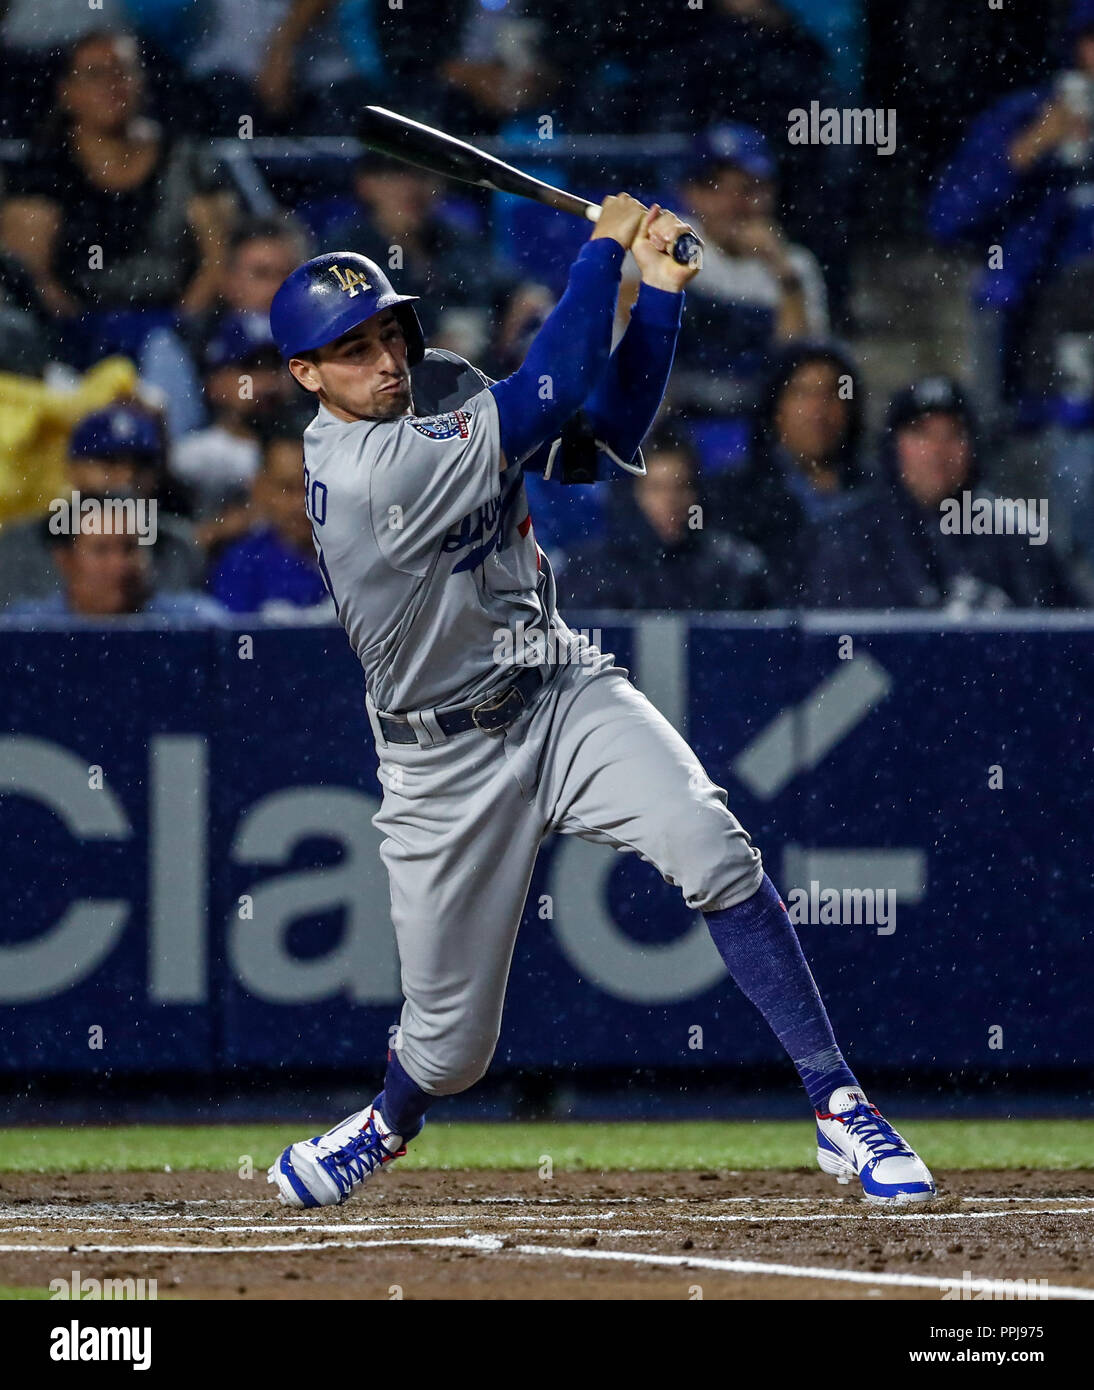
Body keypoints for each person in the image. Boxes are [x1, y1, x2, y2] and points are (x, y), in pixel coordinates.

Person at [261, 197, 936, 1211]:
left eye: (388, 333)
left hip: (558, 687)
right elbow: (547, 385)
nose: (384, 361)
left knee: (712, 847)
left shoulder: (433, 396)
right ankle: (386, 1120)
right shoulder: (362, 472)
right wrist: (603, 249)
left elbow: (599, 431)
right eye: (349, 352)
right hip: (440, 758)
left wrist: (656, 294)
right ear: (306, 375)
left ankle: (839, 1106)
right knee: (450, 1049)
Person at [0, 30, 234, 368]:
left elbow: (218, 264)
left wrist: (175, 331)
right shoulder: (41, 173)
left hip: (178, 332)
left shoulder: (187, 161)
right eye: (95, 74)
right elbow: (34, 278)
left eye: (122, 71)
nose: (112, 85)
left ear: (141, 81)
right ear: (67, 92)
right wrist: (87, 341)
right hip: (70, 335)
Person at [802, 377, 1083, 611]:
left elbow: (1068, 644)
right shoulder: (846, 537)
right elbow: (827, 659)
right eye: (921, 433)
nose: (938, 450)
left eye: (954, 434)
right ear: (893, 446)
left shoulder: (1017, 535)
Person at [670, 124, 829, 417]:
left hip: (760, 423)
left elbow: (800, 368)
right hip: (674, 418)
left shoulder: (795, 265)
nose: (735, 204)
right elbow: (629, 336)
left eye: (748, 189)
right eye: (718, 188)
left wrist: (782, 273)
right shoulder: (665, 238)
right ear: (691, 193)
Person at [0, 401, 203, 610]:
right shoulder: (20, 543)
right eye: (109, 463)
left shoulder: (177, 543)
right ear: (73, 470)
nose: (126, 477)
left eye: (141, 465)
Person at [710, 342, 864, 601]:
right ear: (776, 408)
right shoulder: (731, 498)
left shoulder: (878, 494)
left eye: (832, 393)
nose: (818, 410)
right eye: (803, 393)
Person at [558, 428, 772, 610]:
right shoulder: (588, 571)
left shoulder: (735, 569)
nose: (670, 500)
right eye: (656, 488)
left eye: (681, 487)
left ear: (698, 493)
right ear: (633, 494)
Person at [4, 490, 225, 626]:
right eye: (102, 551)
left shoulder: (194, 623)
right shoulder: (25, 628)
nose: (119, 565)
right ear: (66, 561)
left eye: (130, 548)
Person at [169, 313, 295, 542]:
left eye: (273, 368)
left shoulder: (310, 445)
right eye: (250, 368)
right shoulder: (191, 455)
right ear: (215, 382)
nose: (266, 381)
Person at [209, 421, 332, 619]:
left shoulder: (364, 559)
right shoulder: (241, 565)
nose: (303, 503)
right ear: (260, 489)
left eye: (314, 487)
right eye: (288, 489)